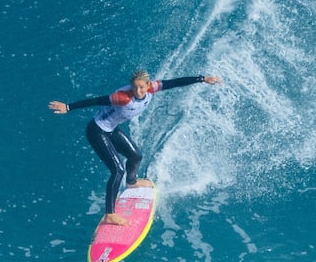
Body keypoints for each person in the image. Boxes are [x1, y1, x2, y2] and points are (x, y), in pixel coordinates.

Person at [49, 69, 222, 215]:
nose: (138, 91)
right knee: (117, 171)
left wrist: (202, 79)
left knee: (136, 156)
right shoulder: (123, 98)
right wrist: (69, 107)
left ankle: (131, 183)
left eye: (141, 87)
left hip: (111, 129)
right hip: (97, 131)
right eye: (135, 87)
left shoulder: (152, 88)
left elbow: (174, 83)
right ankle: (110, 214)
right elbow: (95, 100)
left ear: (148, 86)